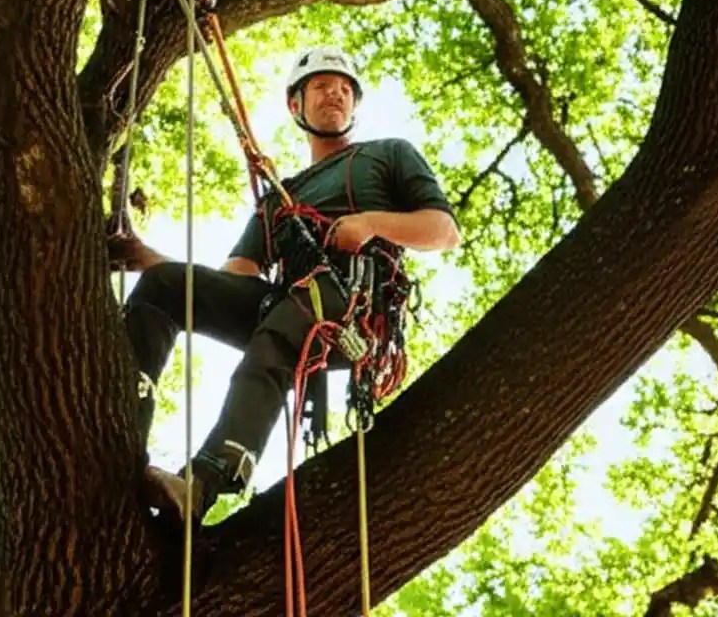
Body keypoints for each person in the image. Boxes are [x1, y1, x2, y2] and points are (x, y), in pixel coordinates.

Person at [111, 45, 459, 522]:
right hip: (284, 301)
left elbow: (443, 230)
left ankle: (204, 480)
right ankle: (118, 434)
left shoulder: (387, 155)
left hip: (350, 303)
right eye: (321, 87)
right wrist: (155, 262)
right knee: (164, 286)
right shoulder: (282, 195)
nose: (334, 95)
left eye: (343, 90)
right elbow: (234, 279)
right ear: (297, 104)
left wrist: (372, 223)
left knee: (283, 325)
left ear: (355, 106)